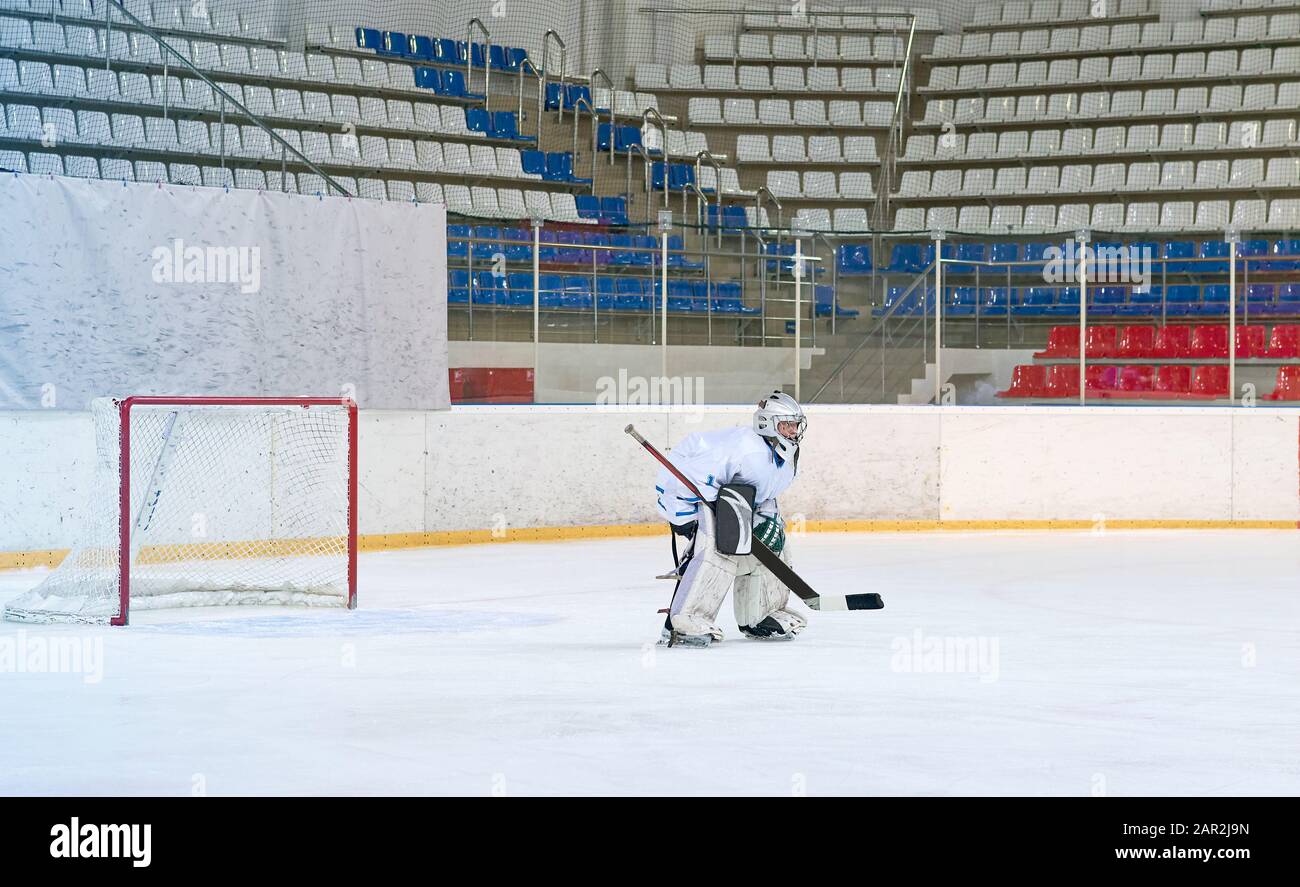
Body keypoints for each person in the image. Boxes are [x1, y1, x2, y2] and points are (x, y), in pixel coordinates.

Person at [654, 391, 808, 646]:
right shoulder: (742, 451)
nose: (793, 431)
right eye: (786, 425)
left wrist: (768, 520)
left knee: (773, 547)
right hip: (688, 493)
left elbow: (765, 493)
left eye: (795, 425)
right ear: (767, 424)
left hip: (732, 498)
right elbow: (686, 479)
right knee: (717, 551)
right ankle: (683, 622)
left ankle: (759, 616)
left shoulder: (789, 458)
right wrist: (683, 518)